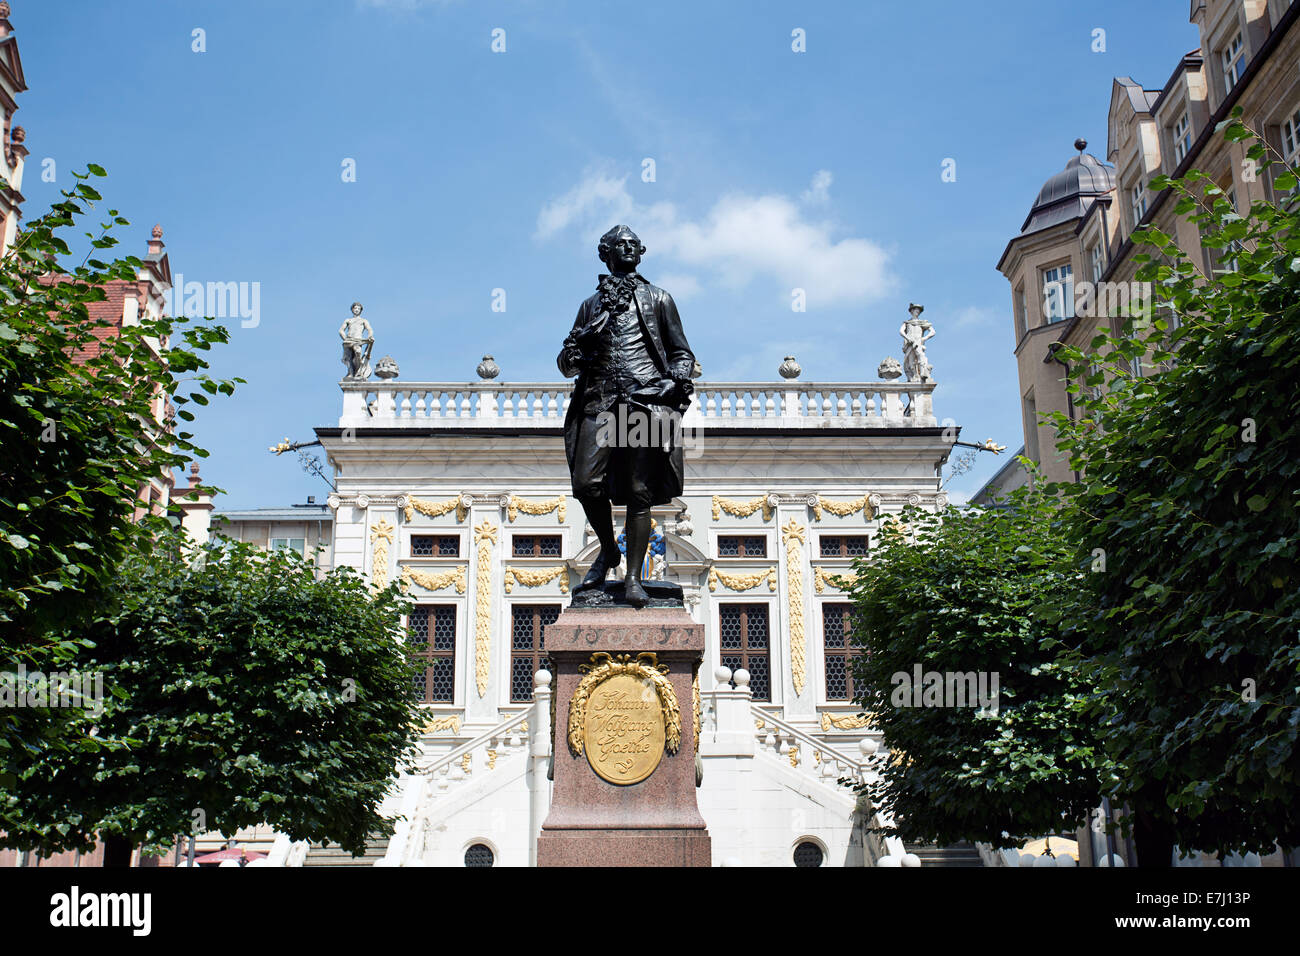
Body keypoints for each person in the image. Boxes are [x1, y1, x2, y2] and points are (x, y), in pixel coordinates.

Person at [557, 226, 695, 607]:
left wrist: (675, 381)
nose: (629, 247)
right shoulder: (590, 306)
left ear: (641, 252)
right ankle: (608, 549)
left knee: (639, 491)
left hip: (643, 401)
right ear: (606, 253)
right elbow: (566, 363)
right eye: (621, 243)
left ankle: (633, 578)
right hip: (598, 403)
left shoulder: (659, 298)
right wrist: (576, 351)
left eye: (634, 243)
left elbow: (682, 353)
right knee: (586, 484)